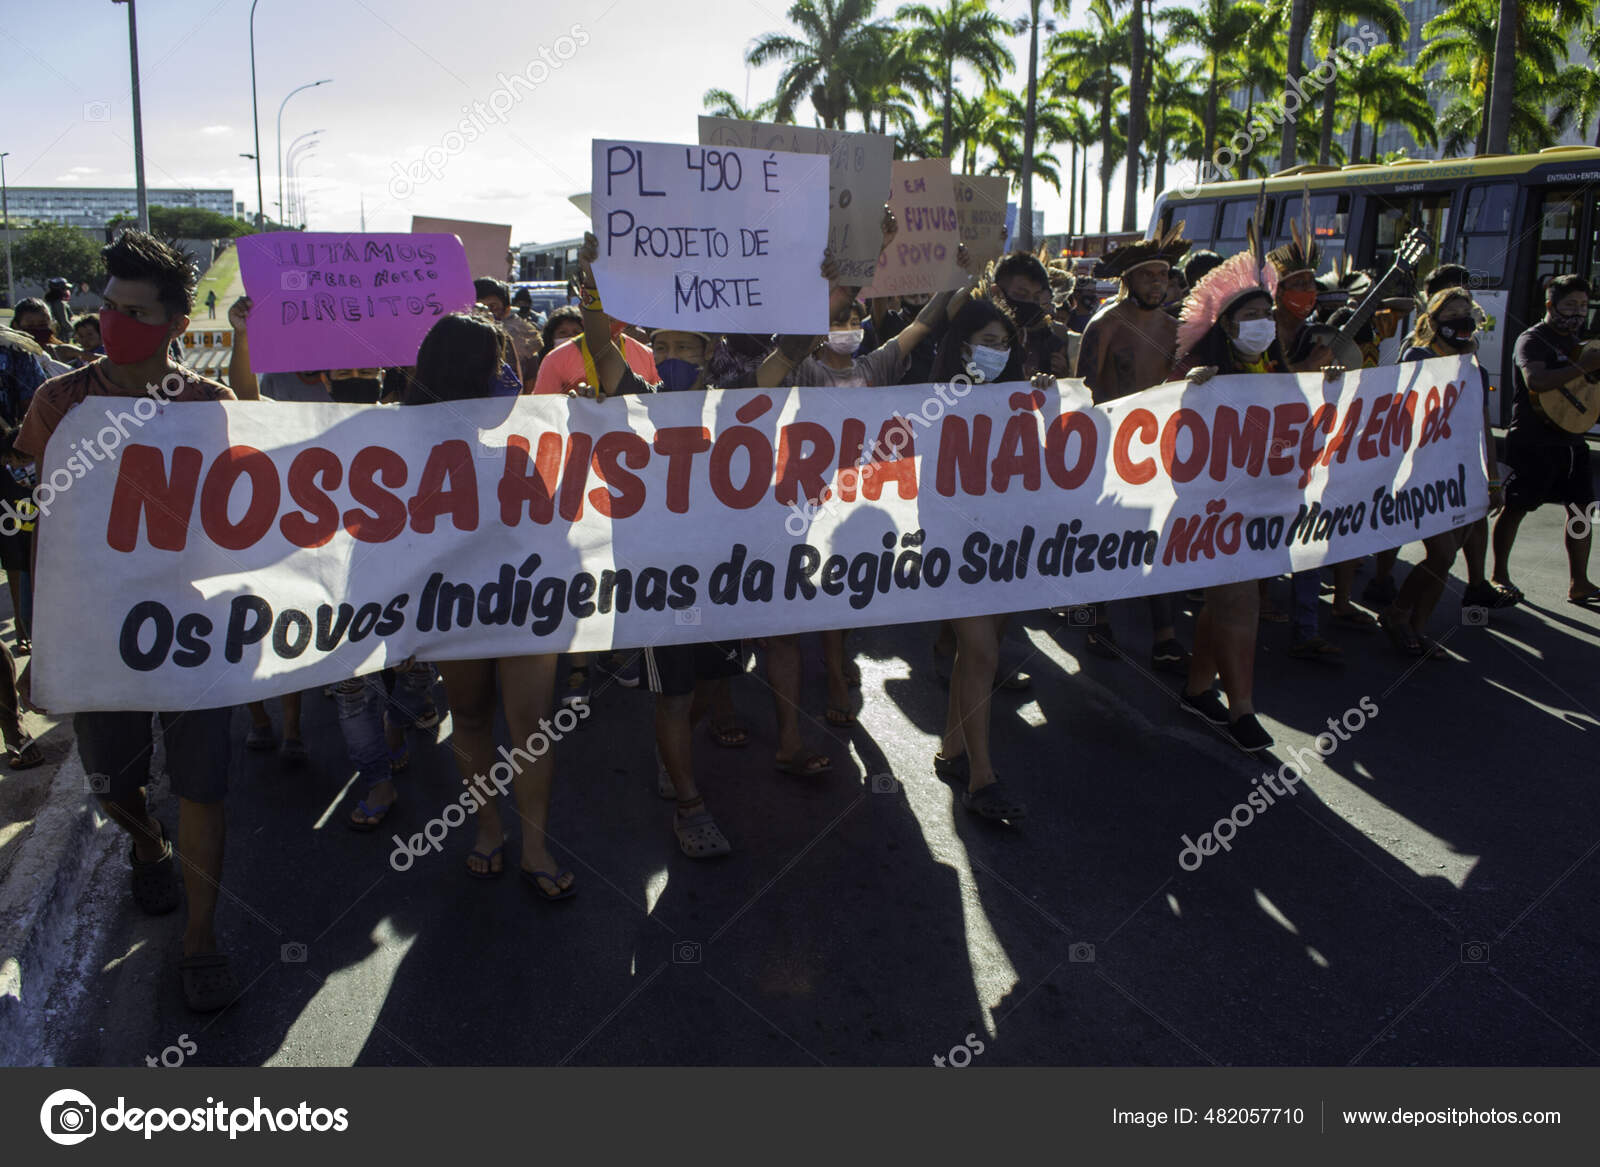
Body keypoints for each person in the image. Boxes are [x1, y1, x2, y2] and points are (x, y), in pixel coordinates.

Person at [15, 230, 241, 1010]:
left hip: (192, 629)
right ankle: (148, 843)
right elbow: (46, 520)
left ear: (175, 325)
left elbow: (236, 516)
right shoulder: (58, 404)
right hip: (97, 631)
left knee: (205, 784)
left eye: (134, 312)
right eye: (109, 306)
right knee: (113, 782)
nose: (114, 321)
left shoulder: (211, 407)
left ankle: (200, 939)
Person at [403, 312, 575, 896]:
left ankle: (535, 846)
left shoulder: (524, 448)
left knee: (531, 727)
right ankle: (487, 829)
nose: (509, 377)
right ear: (463, 373)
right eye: (498, 364)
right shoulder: (403, 453)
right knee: (472, 717)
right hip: (454, 609)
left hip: (526, 606)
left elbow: (557, 530)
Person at [1173, 247, 1319, 752]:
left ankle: (1198, 690)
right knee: (1241, 602)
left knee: (1227, 601)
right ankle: (1242, 710)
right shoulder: (1196, 371)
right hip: (1212, 511)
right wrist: (1188, 391)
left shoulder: (1277, 372)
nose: (1262, 323)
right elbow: (1164, 430)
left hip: (1264, 508)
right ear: (1227, 324)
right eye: (1250, 315)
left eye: (1266, 314)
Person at [930, 296, 1055, 821]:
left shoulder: (1017, 398)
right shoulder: (933, 400)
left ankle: (952, 749)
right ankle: (982, 779)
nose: (997, 352)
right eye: (987, 342)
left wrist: (1047, 400)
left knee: (977, 651)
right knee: (981, 652)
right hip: (953, 546)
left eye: (1004, 344)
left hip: (1003, 545)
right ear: (963, 347)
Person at [1075, 228, 1193, 673]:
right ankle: (1096, 620)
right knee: (1102, 538)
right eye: (1148, 275)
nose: (1158, 283)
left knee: (1157, 536)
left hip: (1157, 450)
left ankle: (1165, 637)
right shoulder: (1105, 324)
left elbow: (1179, 386)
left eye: (1163, 275)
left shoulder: (1175, 330)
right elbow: (1083, 391)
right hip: (1107, 448)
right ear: (1128, 279)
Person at [1265, 222, 1372, 661]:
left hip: (1309, 452)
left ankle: (1306, 629)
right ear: (1277, 291)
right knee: (1261, 535)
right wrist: (1305, 370)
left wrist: (1332, 378)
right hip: (1259, 454)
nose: (1308, 292)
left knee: (1310, 536)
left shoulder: (1320, 335)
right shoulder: (1257, 332)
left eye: (1312, 284)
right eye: (1298, 284)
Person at [1378, 288, 1504, 655]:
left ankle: (1416, 628)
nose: (1461, 319)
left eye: (1466, 312)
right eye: (1451, 314)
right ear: (1433, 322)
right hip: (1421, 473)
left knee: (1444, 558)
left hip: (1462, 475)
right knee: (1443, 555)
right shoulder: (1418, 357)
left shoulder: (1475, 368)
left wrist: (1493, 478)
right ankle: (1398, 612)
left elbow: (1483, 426)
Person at [1491, 273, 1600, 605]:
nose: (1578, 312)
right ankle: (1499, 575)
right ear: (1551, 305)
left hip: (1572, 440)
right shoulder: (1532, 340)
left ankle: (1579, 582)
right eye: (1571, 304)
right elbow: (1536, 380)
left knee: (1581, 510)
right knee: (1516, 507)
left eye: (1583, 305)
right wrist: (1583, 367)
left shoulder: (1580, 344)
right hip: (1533, 439)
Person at [474, 277, 541, 386]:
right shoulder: (456, 341)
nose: (485, 314)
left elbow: (529, 388)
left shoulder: (524, 344)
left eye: (492, 307)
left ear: (507, 310)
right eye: (478, 308)